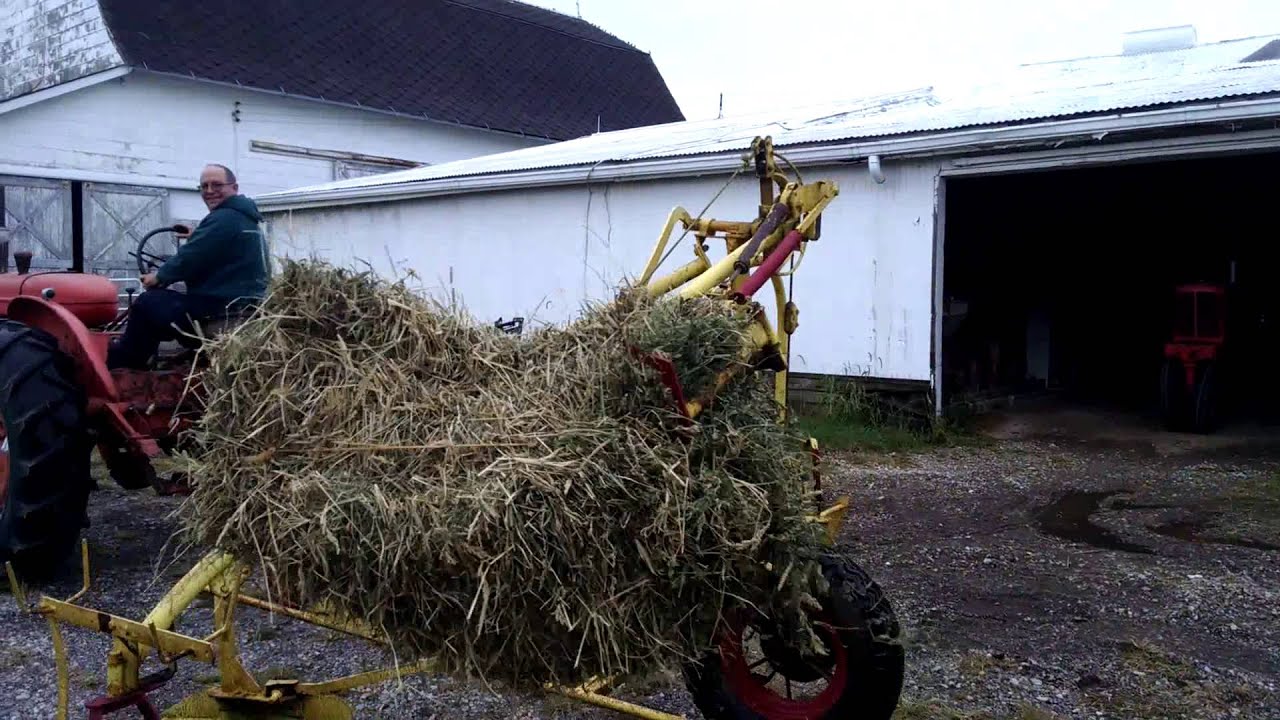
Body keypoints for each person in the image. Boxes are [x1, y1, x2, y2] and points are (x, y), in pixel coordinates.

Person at [107, 164, 269, 370]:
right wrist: (196, 235)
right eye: (204, 186)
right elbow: (214, 247)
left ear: (234, 187)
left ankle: (124, 367)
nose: (209, 191)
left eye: (217, 185)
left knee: (147, 303)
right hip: (243, 307)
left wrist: (159, 277)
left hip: (220, 311)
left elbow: (190, 257)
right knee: (166, 306)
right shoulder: (246, 218)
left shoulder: (223, 217)